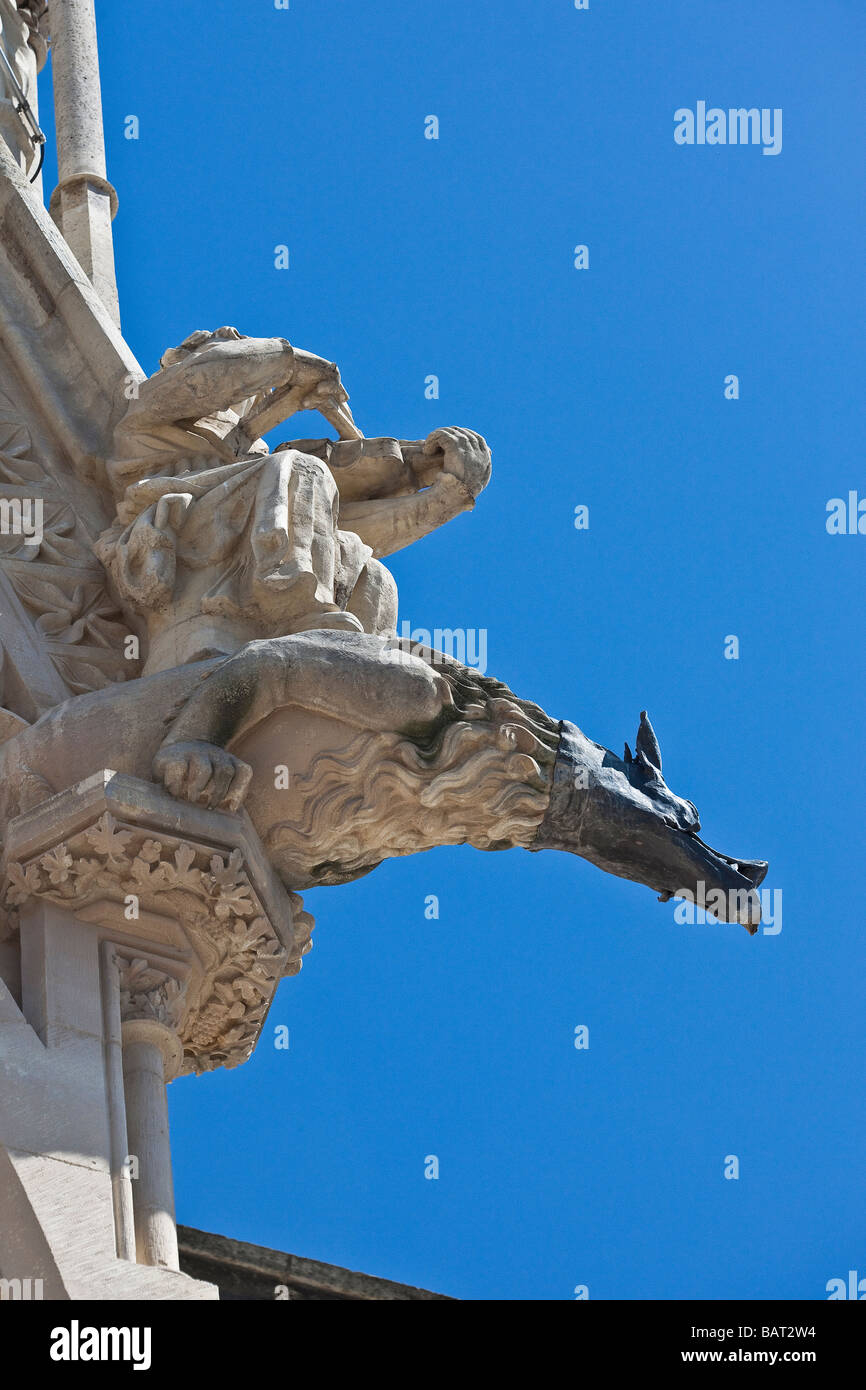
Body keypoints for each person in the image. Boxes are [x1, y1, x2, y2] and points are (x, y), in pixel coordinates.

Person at [96, 328, 491, 674]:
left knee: (369, 570)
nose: (254, 389)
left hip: (229, 555)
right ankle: (290, 601)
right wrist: (291, 362)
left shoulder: (258, 464)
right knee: (301, 469)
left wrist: (444, 500)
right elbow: (206, 375)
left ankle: (348, 651)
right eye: (246, 360)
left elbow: (333, 526)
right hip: (173, 544)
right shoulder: (147, 416)